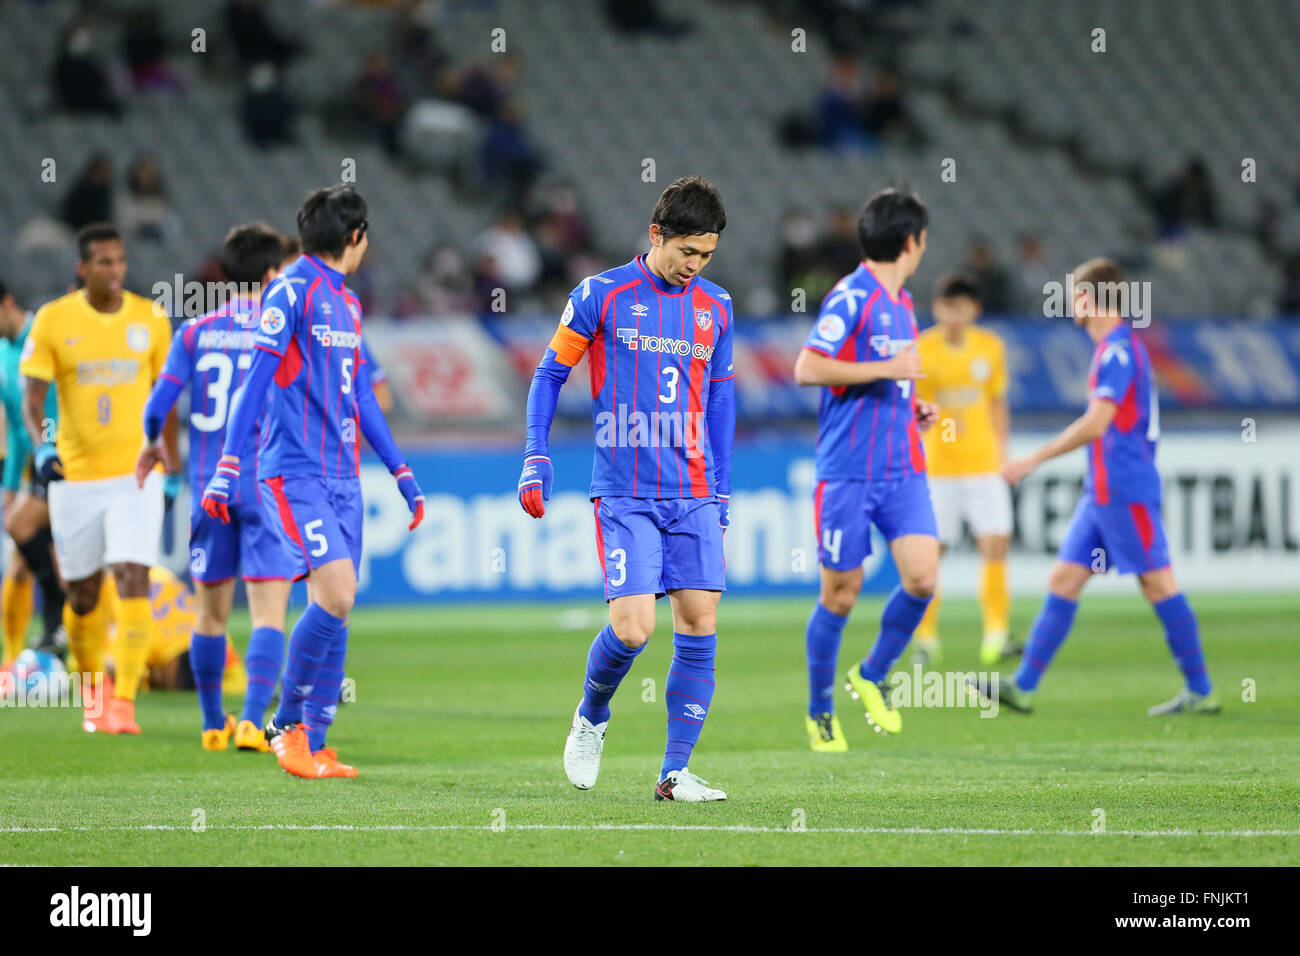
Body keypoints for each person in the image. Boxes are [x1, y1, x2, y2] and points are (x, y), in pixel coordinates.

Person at [517, 176, 735, 802]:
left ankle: (674, 773)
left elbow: (721, 400)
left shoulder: (715, 307)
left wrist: (724, 490)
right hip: (626, 492)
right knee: (635, 628)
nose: (695, 267)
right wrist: (536, 455)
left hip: (694, 491)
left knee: (699, 622)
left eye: (706, 256)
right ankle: (592, 714)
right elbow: (549, 374)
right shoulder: (601, 295)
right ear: (656, 235)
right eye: (687, 252)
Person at [199, 186, 425, 778]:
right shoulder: (290, 290)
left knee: (338, 605)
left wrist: (400, 469)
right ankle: (286, 722)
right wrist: (228, 463)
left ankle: (316, 743)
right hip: (294, 473)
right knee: (338, 593)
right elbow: (255, 379)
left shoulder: (346, 305)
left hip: (344, 477)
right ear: (356, 238)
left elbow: (359, 396)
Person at [970, 258, 1218, 716]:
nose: (1070, 306)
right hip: (1102, 491)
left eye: (1073, 297)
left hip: (1125, 488)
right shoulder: (1113, 349)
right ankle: (1023, 686)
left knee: (1158, 583)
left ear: (1087, 298)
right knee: (1064, 578)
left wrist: (1031, 459)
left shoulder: (1118, 351)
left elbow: (1097, 423)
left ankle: (1201, 690)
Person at [137, 223, 297, 751]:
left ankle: (211, 724)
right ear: (275, 273)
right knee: (270, 611)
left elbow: (158, 407)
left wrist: (156, 448)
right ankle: (252, 720)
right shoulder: (283, 328)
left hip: (210, 489)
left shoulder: (193, 331)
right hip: (263, 483)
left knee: (209, 613)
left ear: (224, 275)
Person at [792, 186, 940, 751]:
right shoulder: (851, 297)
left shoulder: (902, 302)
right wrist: (886, 369)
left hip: (902, 467)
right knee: (841, 595)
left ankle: (872, 674)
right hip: (848, 471)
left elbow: (889, 375)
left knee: (923, 577)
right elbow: (808, 368)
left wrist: (910, 402)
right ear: (912, 241)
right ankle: (820, 710)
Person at [19, 224, 180, 735]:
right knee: (83, 595)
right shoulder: (53, 320)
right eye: (104, 263)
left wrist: (169, 463)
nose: (116, 271)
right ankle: (94, 697)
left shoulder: (150, 318)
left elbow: (166, 394)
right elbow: (32, 399)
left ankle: (125, 702)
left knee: (134, 575)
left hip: (135, 475)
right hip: (75, 479)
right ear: (82, 269)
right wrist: (43, 446)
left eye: (121, 261)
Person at [913, 273, 1017, 666]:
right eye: (946, 305)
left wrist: (1002, 450)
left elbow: (996, 401)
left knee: (995, 546)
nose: (953, 314)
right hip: (939, 467)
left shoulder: (990, 347)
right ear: (937, 308)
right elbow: (915, 411)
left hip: (984, 465)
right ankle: (926, 638)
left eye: (961, 305)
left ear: (974, 309)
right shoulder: (922, 350)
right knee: (930, 555)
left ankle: (997, 633)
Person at [0, 279, 65, 664]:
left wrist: (54, 446)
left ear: (8, 302)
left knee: (24, 530)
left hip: (66, 456)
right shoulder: (3, 354)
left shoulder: (42, 336)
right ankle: (24, 651)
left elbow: (54, 405)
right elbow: (16, 422)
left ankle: (61, 622)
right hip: (37, 462)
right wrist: (10, 483)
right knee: (23, 561)